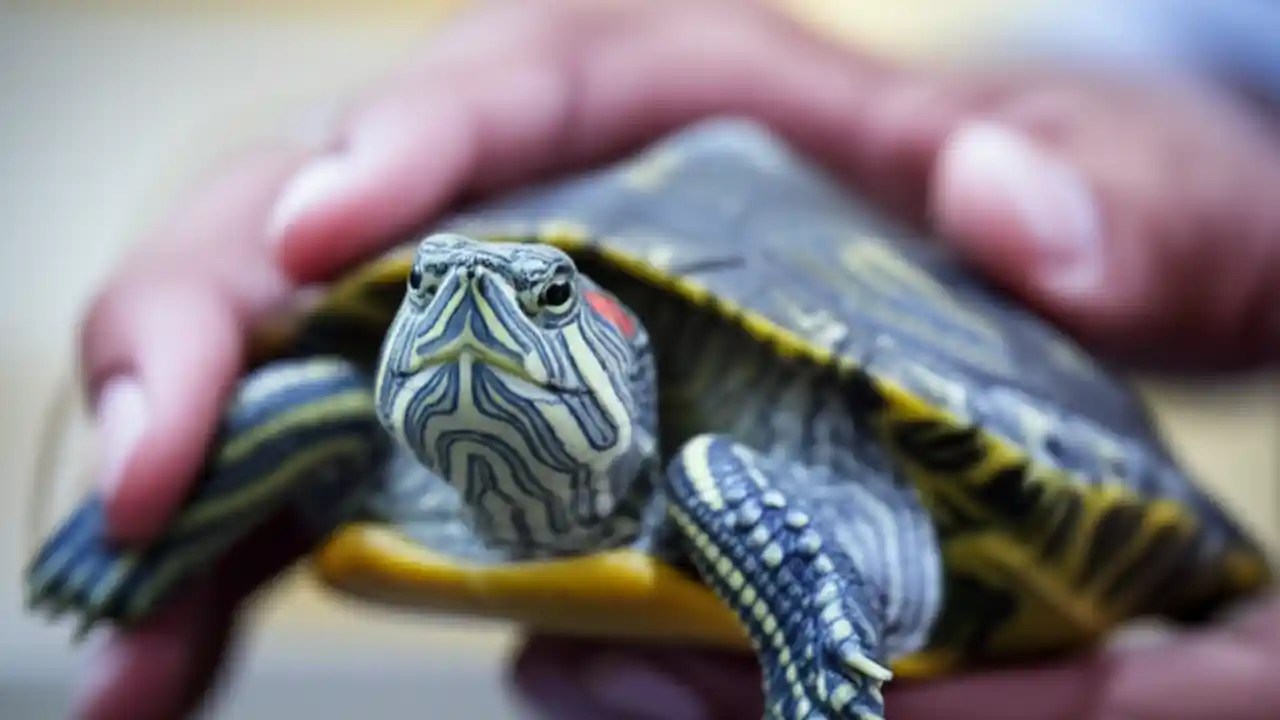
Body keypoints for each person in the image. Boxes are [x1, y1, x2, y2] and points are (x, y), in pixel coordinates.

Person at [70, 1, 1279, 718]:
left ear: (622, 347)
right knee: (302, 396)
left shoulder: (707, 471)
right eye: (431, 293)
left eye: (541, 299)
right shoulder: (363, 429)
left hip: (894, 498)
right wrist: (160, 516)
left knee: (713, 475)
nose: (463, 303)